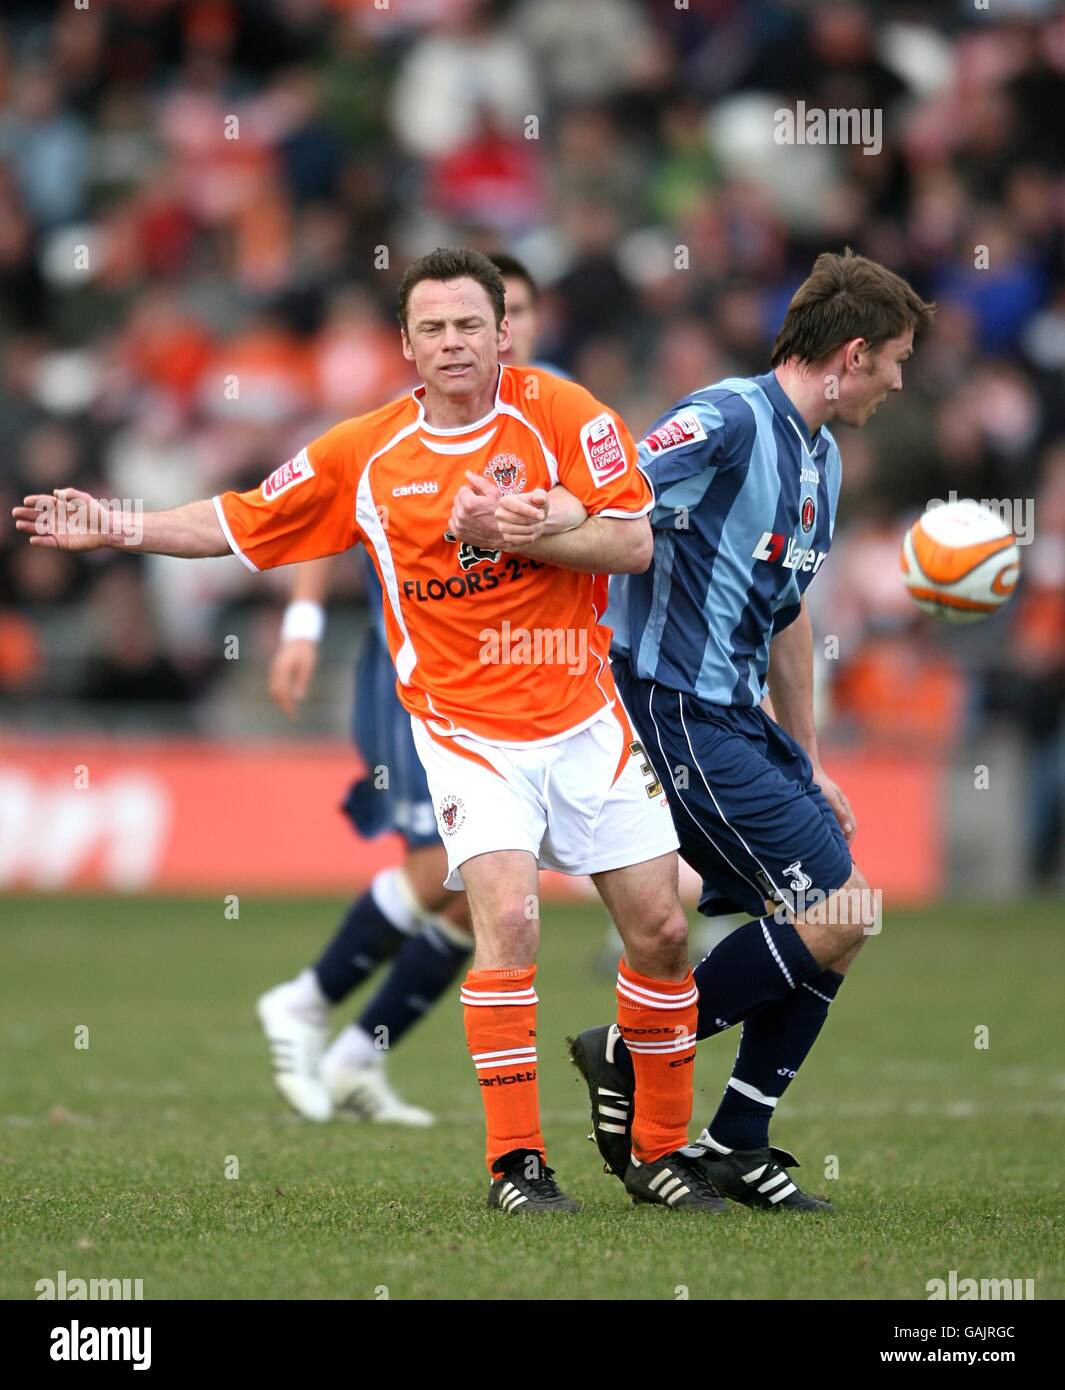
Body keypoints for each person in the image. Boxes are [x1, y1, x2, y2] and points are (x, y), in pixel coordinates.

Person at [14, 247, 724, 1216]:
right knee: (508, 922)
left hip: (584, 715)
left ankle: (659, 1153)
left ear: (504, 331)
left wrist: (523, 532)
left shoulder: (565, 414)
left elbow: (634, 538)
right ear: (405, 346)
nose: (453, 342)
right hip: (467, 730)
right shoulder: (366, 451)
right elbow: (240, 519)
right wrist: (116, 522)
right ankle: (516, 1166)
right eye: (432, 328)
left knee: (664, 928)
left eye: (470, 324)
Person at [569, 248, 936, 1211]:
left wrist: (807, 761)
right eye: (895, 359)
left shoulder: (823, 457)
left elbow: (786, 614)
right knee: (843, 909)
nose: (899, 381)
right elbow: (615, 507)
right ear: (852, 354)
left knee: (843, 921)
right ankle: (642, 1043)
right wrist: (522, 520)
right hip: (670, 710)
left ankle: (733, 1136)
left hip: (734, 720)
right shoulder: (726, 421)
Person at [257, 255, 554, 1128]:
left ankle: (358, 1053)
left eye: (517, 315)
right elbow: (310, 519)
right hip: (411, 678)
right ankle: (306, 1001)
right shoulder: (398, 432)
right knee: (440, 873)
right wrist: (304, 626)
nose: (510, 331)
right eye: (441, 328)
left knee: (489, 896)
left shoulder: (550, 414)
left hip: (516, 688)